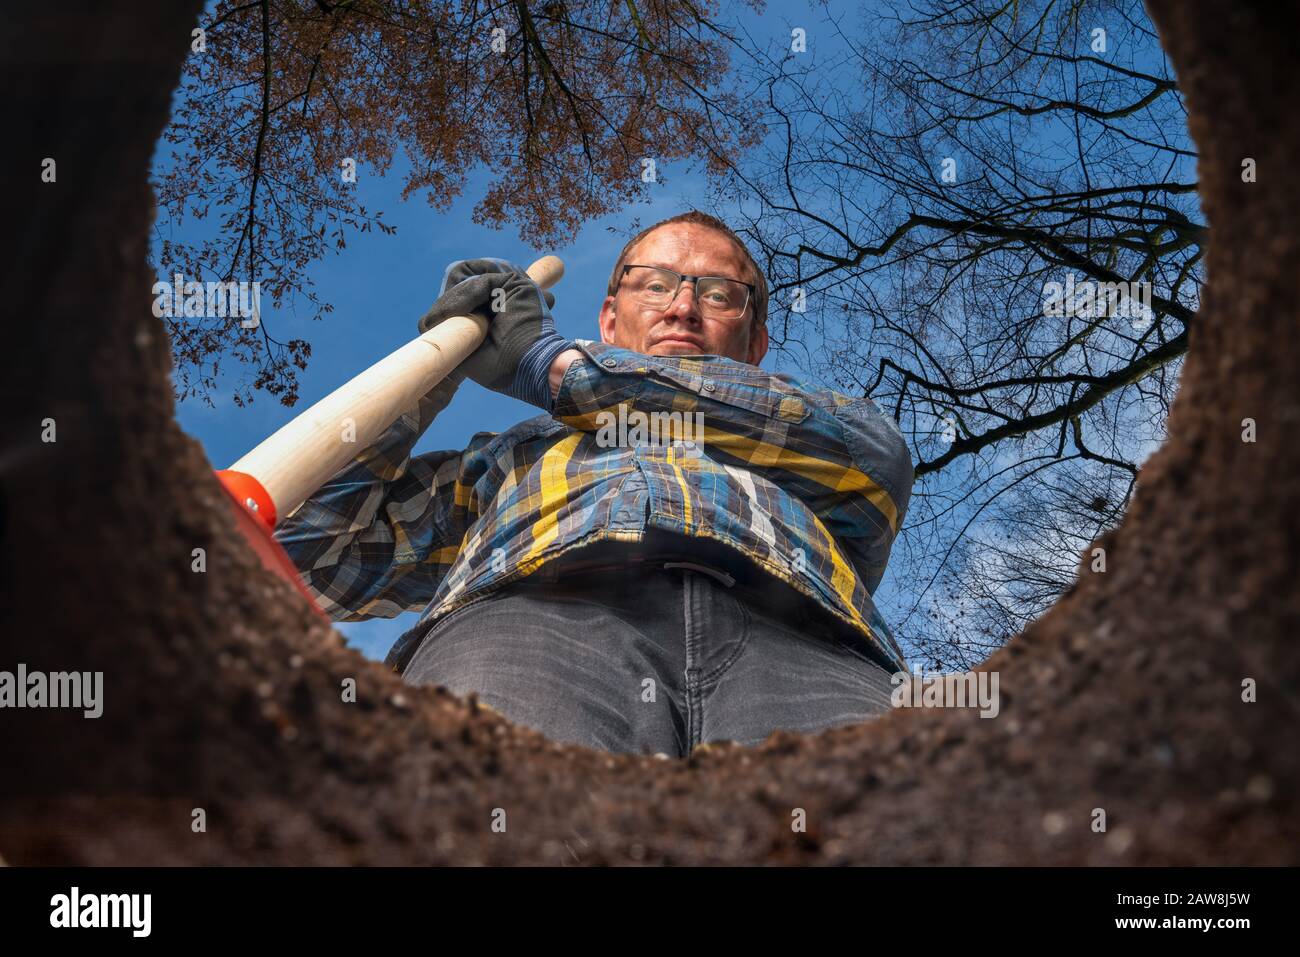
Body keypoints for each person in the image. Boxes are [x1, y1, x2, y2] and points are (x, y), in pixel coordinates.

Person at [274, 210, 914, 756]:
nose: (683, 307)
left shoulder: (822, 432)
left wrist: (547, 365)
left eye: (718, 293)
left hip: (812, 647)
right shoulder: (510, 460)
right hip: (529, 631)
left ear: (755, 343)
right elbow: (305, 563)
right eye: (655, 284)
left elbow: (877, 461)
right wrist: (427, 383)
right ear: (610, 320)